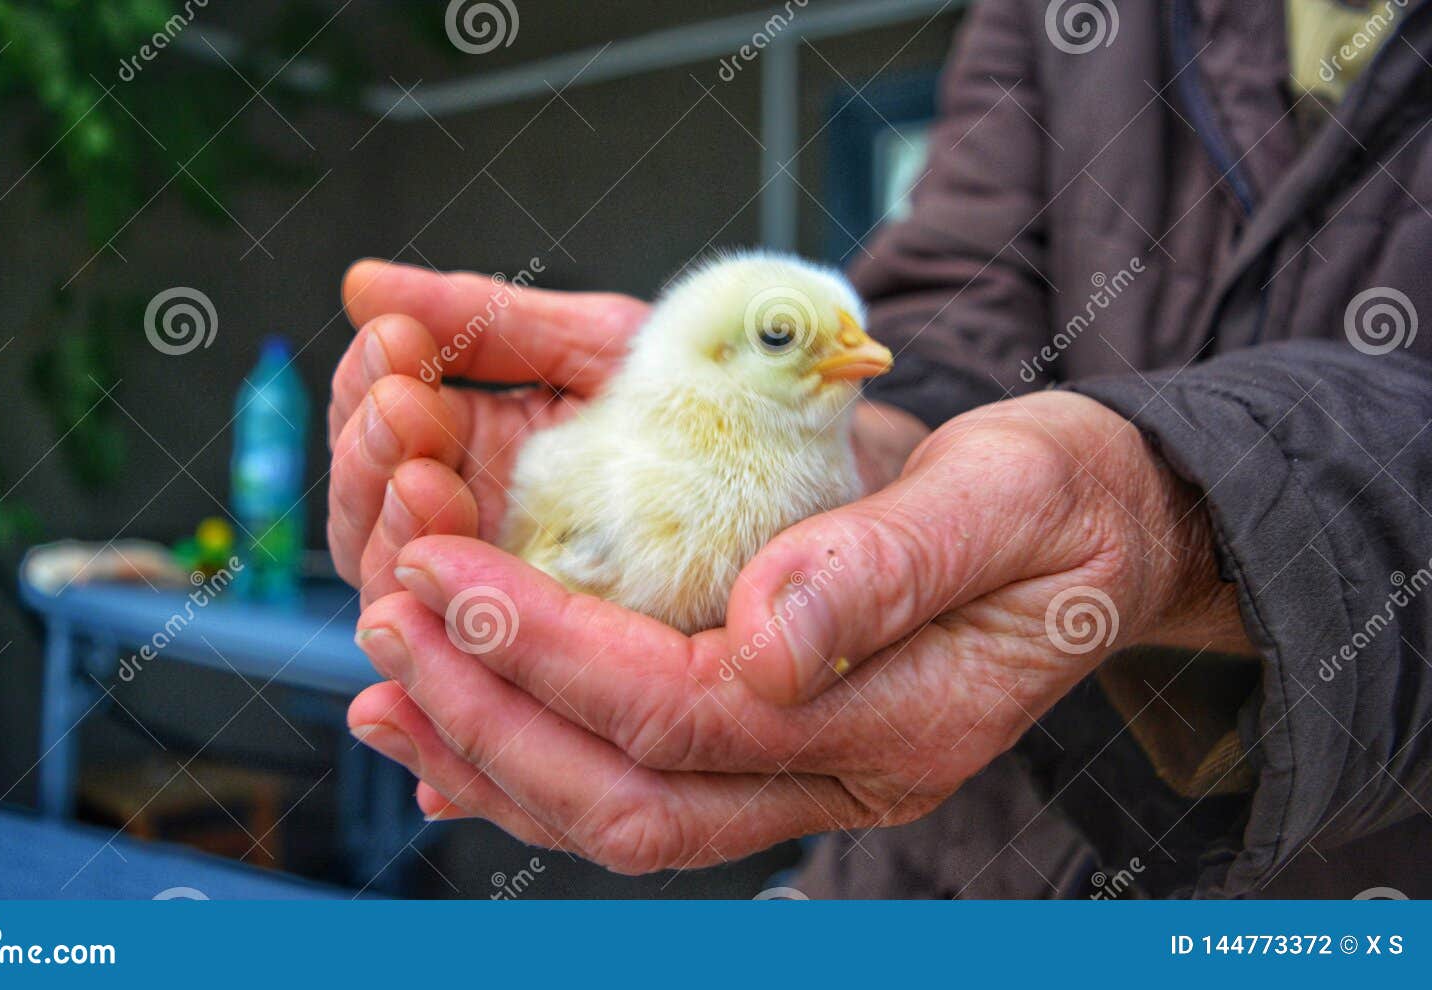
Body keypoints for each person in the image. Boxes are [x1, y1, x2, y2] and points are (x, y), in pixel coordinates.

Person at [326, 0, 1432, 897]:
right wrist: (909, 447)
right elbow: (950, 314)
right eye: (785, 340)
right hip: (943, 878)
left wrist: (1169, 519)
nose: (855, 358)